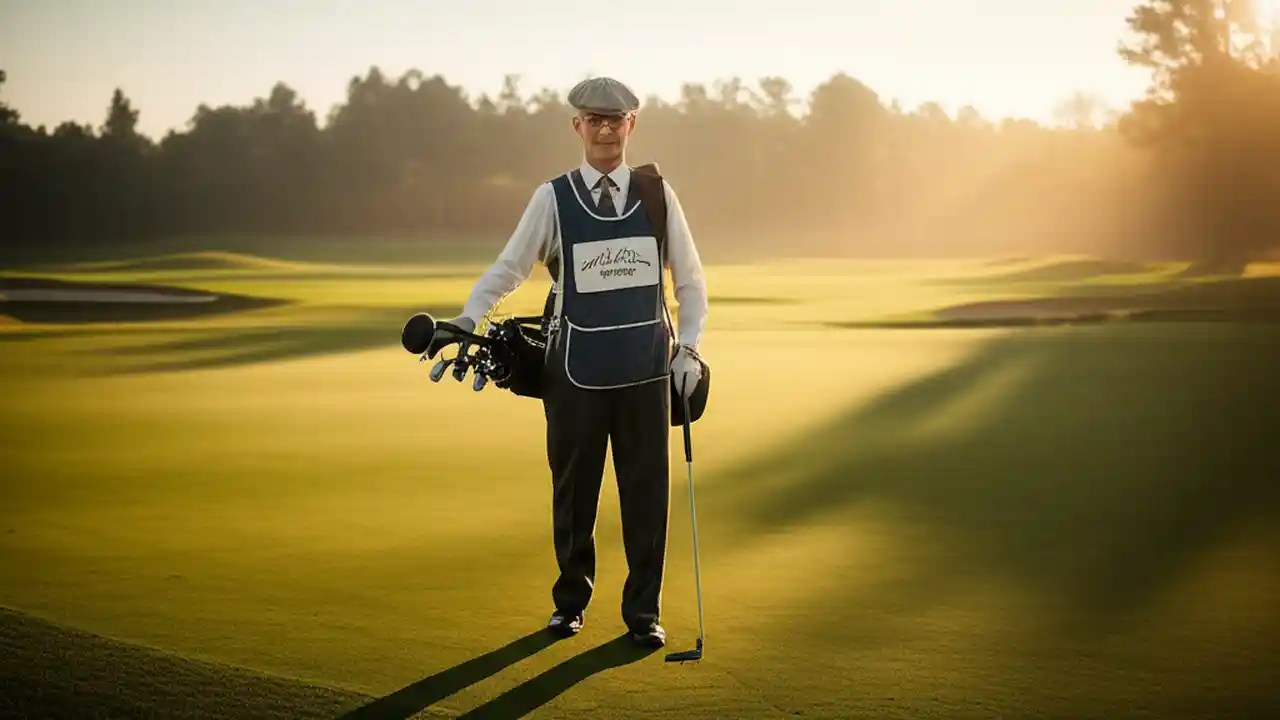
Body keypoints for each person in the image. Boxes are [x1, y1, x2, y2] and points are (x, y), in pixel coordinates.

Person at [446, 76, 708, 647]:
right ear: (578, 127)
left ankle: (643, 615)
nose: (606, 130)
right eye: (594, 120)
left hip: (646, 372)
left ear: (632, 125)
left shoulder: (659, 195)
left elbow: (689, 281)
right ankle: (570, 605)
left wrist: (688, 348)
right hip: (573, 374)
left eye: (617, 120)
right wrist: (470, 317)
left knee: (646, 496)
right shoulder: (553, 197)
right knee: (573, 495)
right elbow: (511, 267)